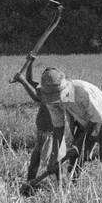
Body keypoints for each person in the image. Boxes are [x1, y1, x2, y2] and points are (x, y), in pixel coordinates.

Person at [38, 68, 102, 185]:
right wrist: (53, 159)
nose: (54, 99)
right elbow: (58, 129)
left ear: (64, 89)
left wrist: (78, 144)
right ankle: (72, 187)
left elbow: (98, 119)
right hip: (83, 120)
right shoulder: (51, 101)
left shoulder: (81, 92)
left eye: (56, 95)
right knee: (75, 159)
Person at [12, 54, 66, 192]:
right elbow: (31, 80)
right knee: (34, 160)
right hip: (41, 130)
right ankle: (29, 186)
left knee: (53, 162)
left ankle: (61, 188)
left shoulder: (58, 93)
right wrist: (30, 63)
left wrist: (22, 81)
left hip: (52, 133)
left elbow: (36, 98)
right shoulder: (46, 89)